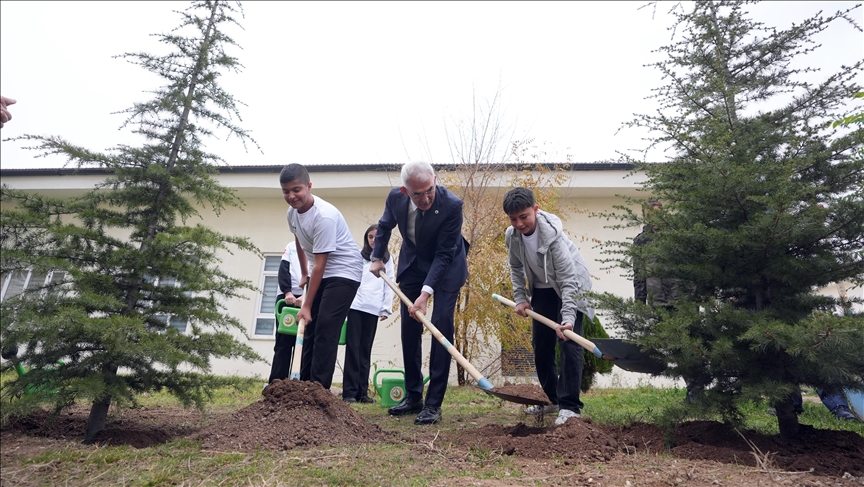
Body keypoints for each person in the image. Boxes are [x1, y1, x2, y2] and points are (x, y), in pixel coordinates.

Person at [370, 161, 469, 425]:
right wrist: (377, 257)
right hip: (413, 263)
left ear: (435, 180)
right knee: (410, 326)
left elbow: (444, 254)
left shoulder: (452, 205)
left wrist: (425, 295)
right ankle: (414, 395)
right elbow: (384, 226)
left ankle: (433, 404)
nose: (425, 198)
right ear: (405, 191)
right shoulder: (395, 198)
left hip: (447, 266)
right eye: (418, 194)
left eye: (429, 190)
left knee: (441, 324)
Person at [503, 187, 594, 426]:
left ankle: (570, 406)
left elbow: (568, 280)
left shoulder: (553, 237)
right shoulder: (512, 236)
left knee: (569, 343)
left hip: (572, 285)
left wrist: (568, 319)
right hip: (542, 288)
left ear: (535, 210)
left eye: (524, 216)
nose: (519, 224)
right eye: (513, 219)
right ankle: (552, 399)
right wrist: (520, 298)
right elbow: (515, 267)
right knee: (541, 344)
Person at [281, 163, 362, 390]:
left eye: (296, 189)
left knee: (326, 325)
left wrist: (306, 305)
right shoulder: (292, 213)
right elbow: (299, 240)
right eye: (286, 191)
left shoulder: (324, 216)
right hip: (320, 270)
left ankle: (318, 390)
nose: (291, 196)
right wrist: (303, 272)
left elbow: (320, 265)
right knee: (310, 326)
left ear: (309, 186)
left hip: (344, 271)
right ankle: (304, 386)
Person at [342, 225, 395, 404]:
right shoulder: (359, 256)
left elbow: (390, 283)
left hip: (373, 309)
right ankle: (349, 392)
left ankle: (362, 393)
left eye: (377, 237)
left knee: (365, 349)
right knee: (353, 349)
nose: (373, 240)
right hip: (356, 307)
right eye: (370, 237)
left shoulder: (387, 259)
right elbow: (352, 279)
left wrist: (386, 308)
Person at [267, 240, 307, 386]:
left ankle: (300, 383)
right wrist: (287, 292)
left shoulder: (317, 245)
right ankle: (277, 382)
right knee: (283, 342)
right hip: (287, 298)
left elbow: (318, 272)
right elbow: (283, 269)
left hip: (307, 298)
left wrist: (306, 295)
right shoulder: (291, 246)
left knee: (304, 343)